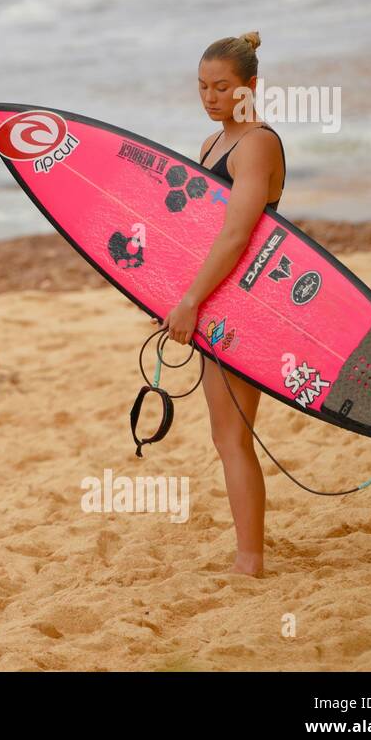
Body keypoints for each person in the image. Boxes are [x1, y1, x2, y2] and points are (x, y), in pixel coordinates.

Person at [158, 31, 286, 576]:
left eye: (222, 87)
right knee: (225, 435)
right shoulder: (213, 144)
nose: (210, 98)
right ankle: (248, 554)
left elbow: (237, 235)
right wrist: (175, 297)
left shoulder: (256, 144)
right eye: (202, 87)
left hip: (247, 302)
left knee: (233, 436)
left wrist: (191, 300)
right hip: (218, 296)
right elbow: (200, 233)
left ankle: (249, 561)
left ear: (250, 86)